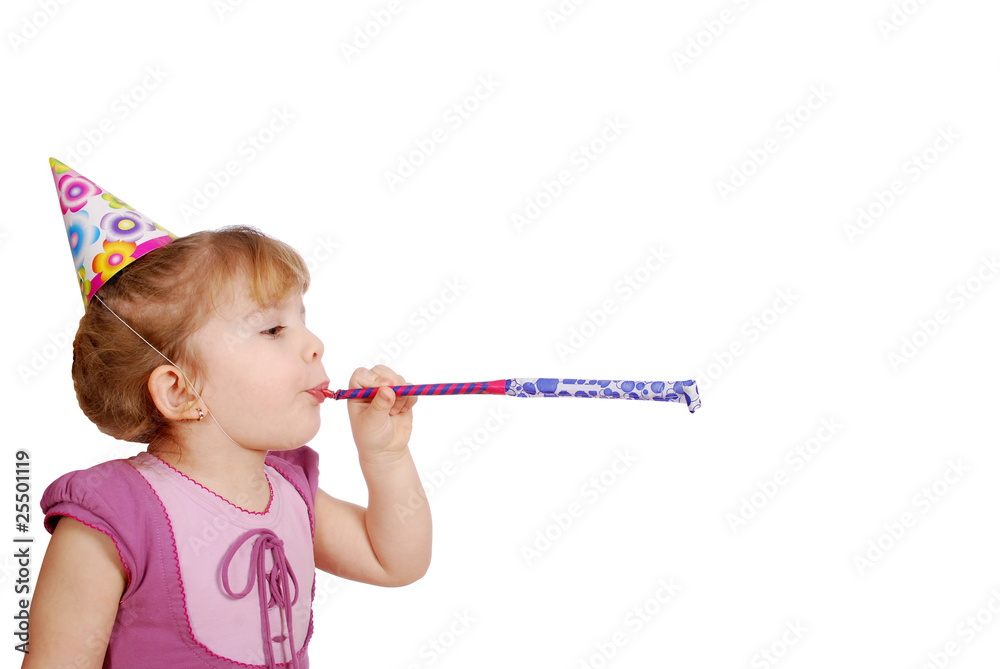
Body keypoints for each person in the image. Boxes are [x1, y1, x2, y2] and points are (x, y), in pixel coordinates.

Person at [23, 158, 431, 668]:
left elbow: (393, 561)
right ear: (181, 389)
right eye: (272, 330)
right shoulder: (113, 519)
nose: (315, 345)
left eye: (301, 320)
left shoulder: (288, 489)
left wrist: (386, 456)